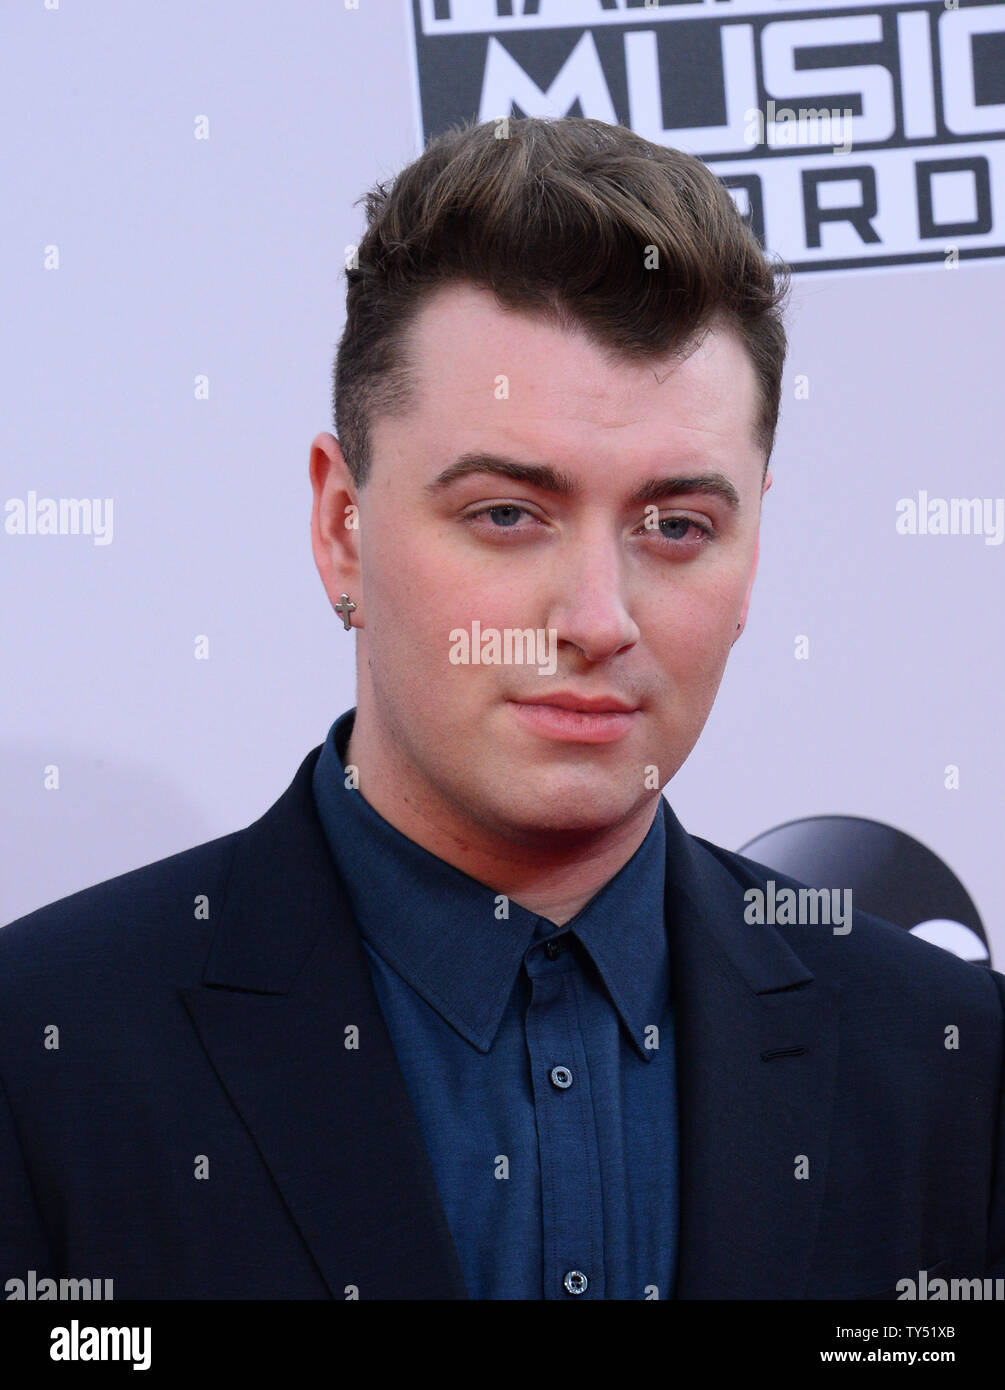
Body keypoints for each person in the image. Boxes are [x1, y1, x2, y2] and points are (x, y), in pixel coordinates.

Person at [2, 116, 1003, 1302]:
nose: (596, 616)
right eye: (506, 514)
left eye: (675, 526)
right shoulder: (41, 1051)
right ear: (343, 529)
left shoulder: (951, 1062)